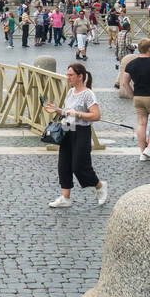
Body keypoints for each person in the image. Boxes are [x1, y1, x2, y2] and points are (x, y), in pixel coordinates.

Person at [42, 63, 108, 209]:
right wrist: (57, 110)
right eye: (67, 75)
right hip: (67, 128)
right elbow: (67, 112)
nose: (68, 77)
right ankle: (65, 197)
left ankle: (99, 185)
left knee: (80, 166)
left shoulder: (88, 94)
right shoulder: (71, 92)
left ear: (80, 77)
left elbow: (96, 115)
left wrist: (78, 113)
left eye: (71, 75)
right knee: (63, 165)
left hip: (81, 131)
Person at [122, 38, 150, 162]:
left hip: (138, 97)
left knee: (141, 124)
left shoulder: (131, 64)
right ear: (149, 49)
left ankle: (142, 153)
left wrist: (132, 96)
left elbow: (125, 83)